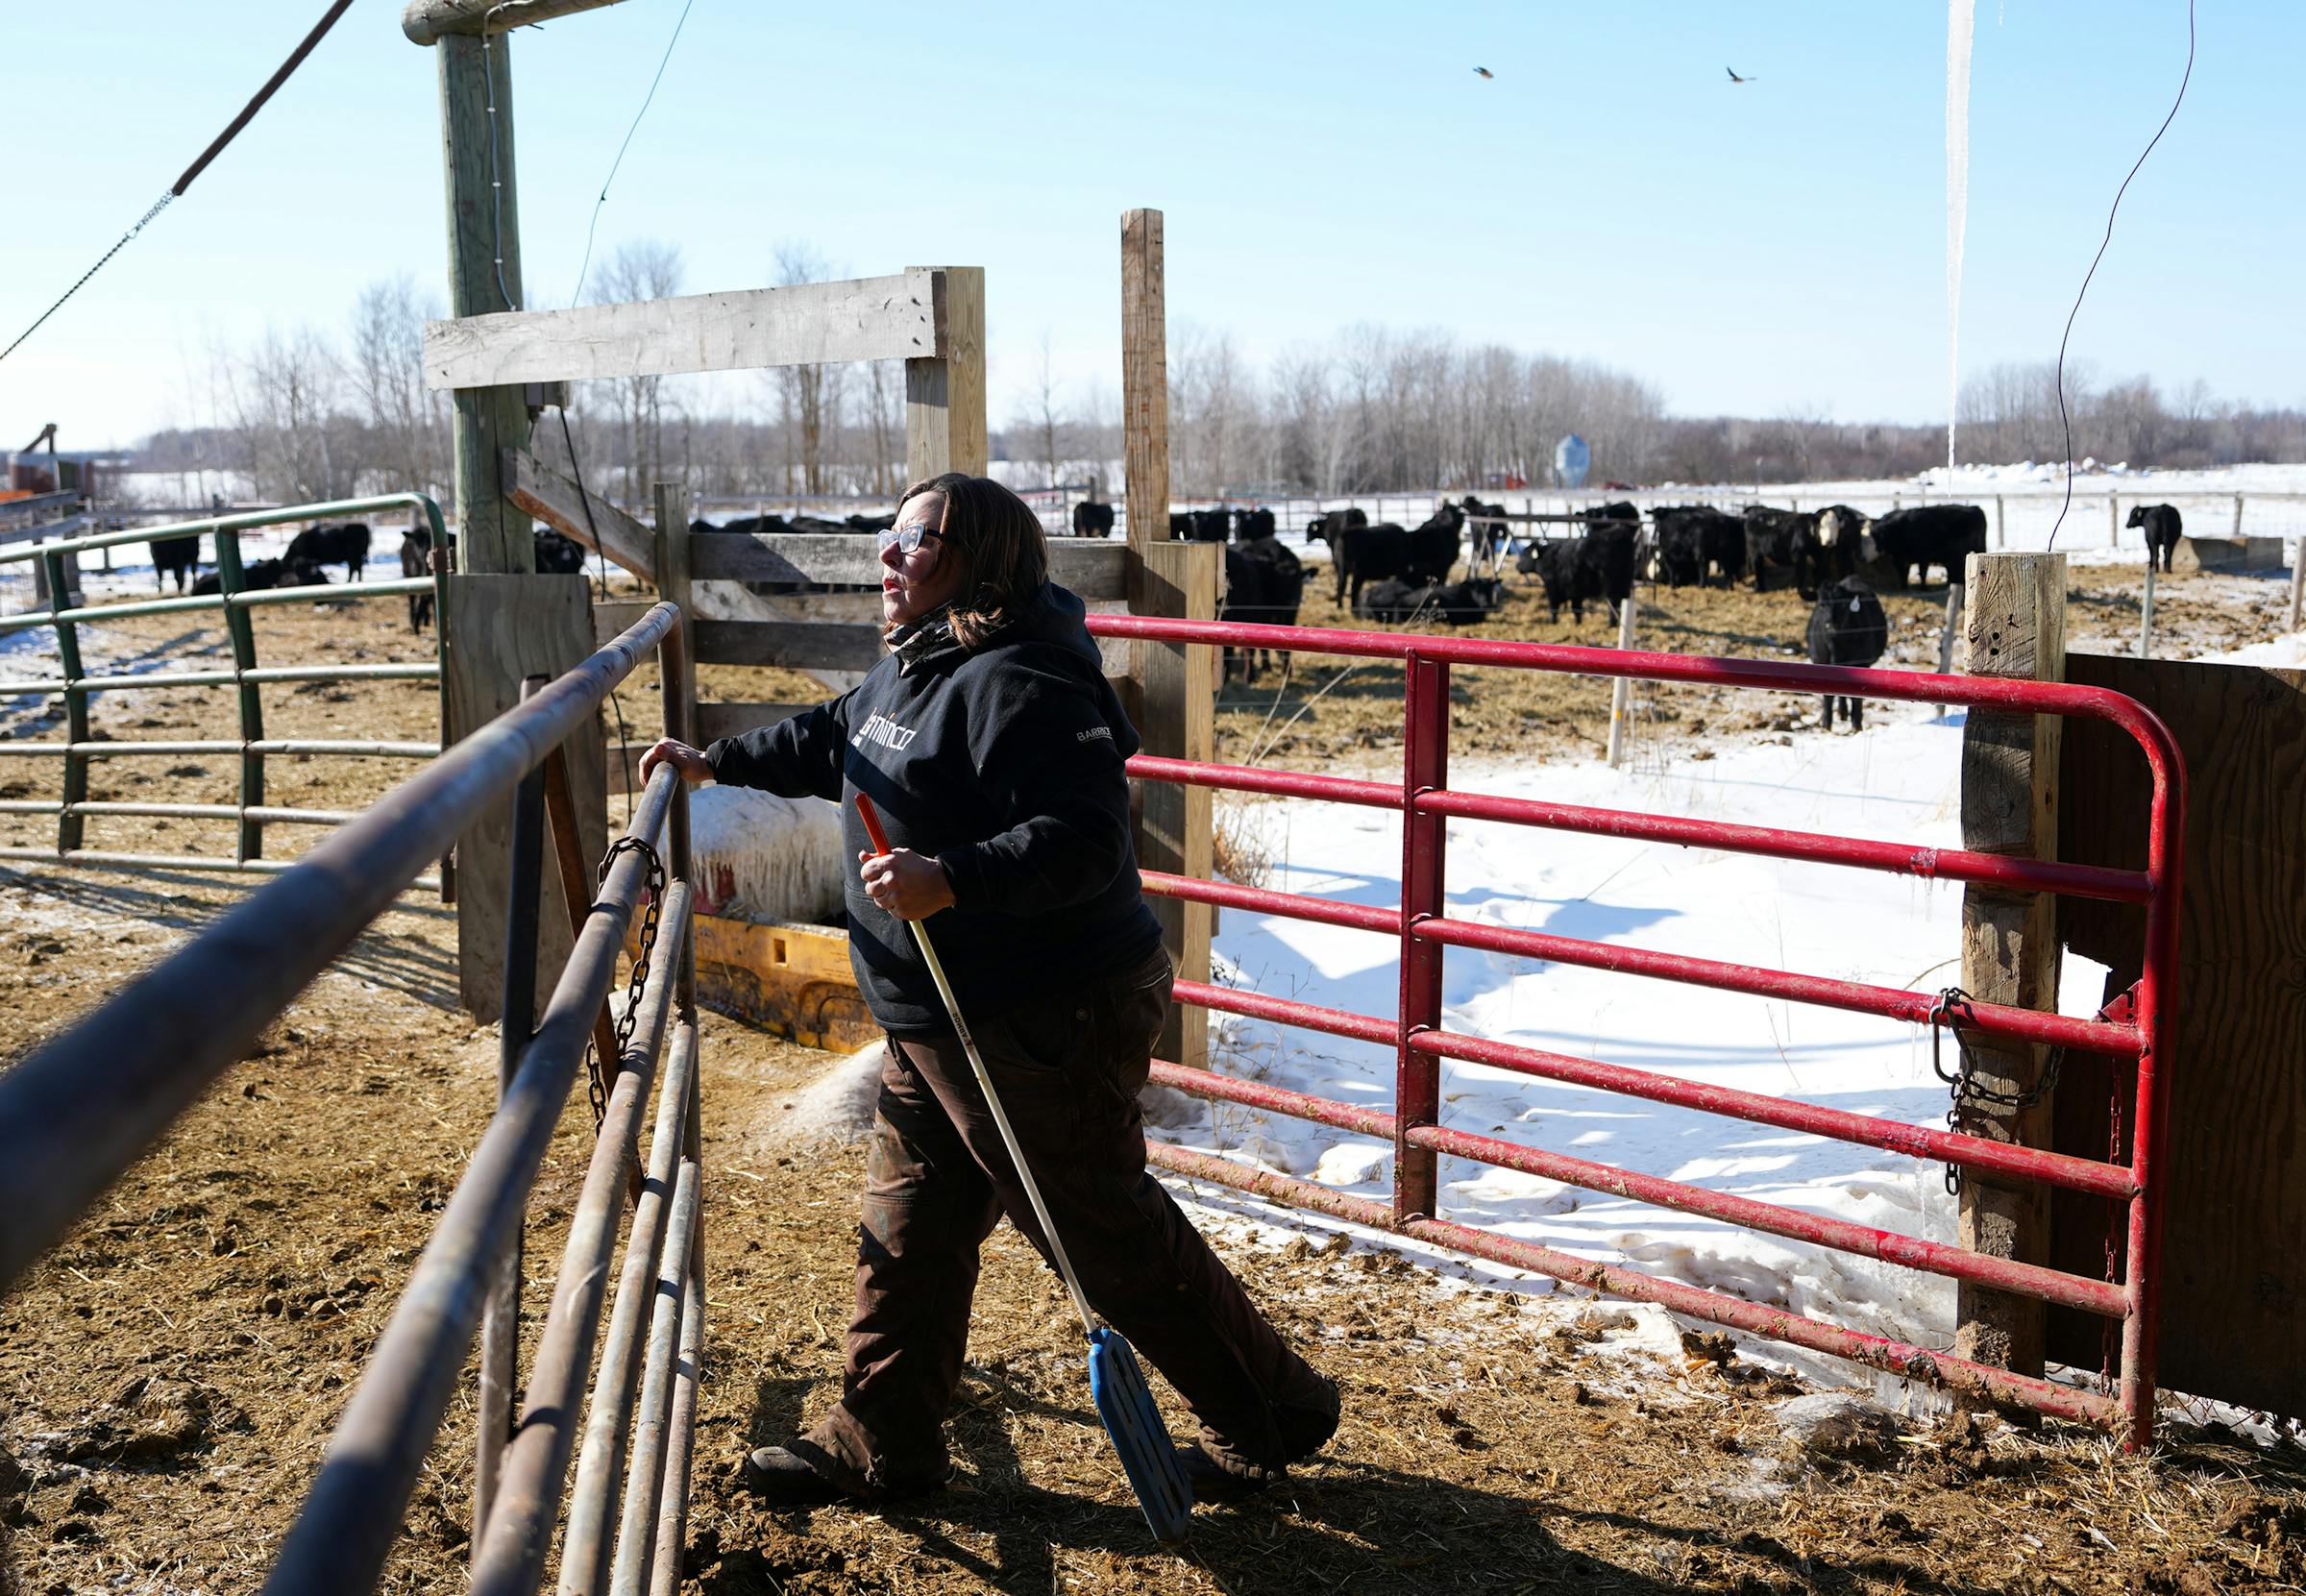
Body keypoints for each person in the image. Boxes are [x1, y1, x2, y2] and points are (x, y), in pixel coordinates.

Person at [640, 474, 1337, 1505]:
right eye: (891, 535)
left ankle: (1276, 1412)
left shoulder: (1026, 680)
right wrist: (716, 761)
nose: (889, 556)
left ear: (980, 562)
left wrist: (954, 876)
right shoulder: (918, 659)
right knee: (912, 1224)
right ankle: (885, 1436)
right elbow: (839, 737)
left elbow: (1088, 839)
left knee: (1097, 1230)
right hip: (939, 1015)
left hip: (1043, 1013)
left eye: (916, 540)